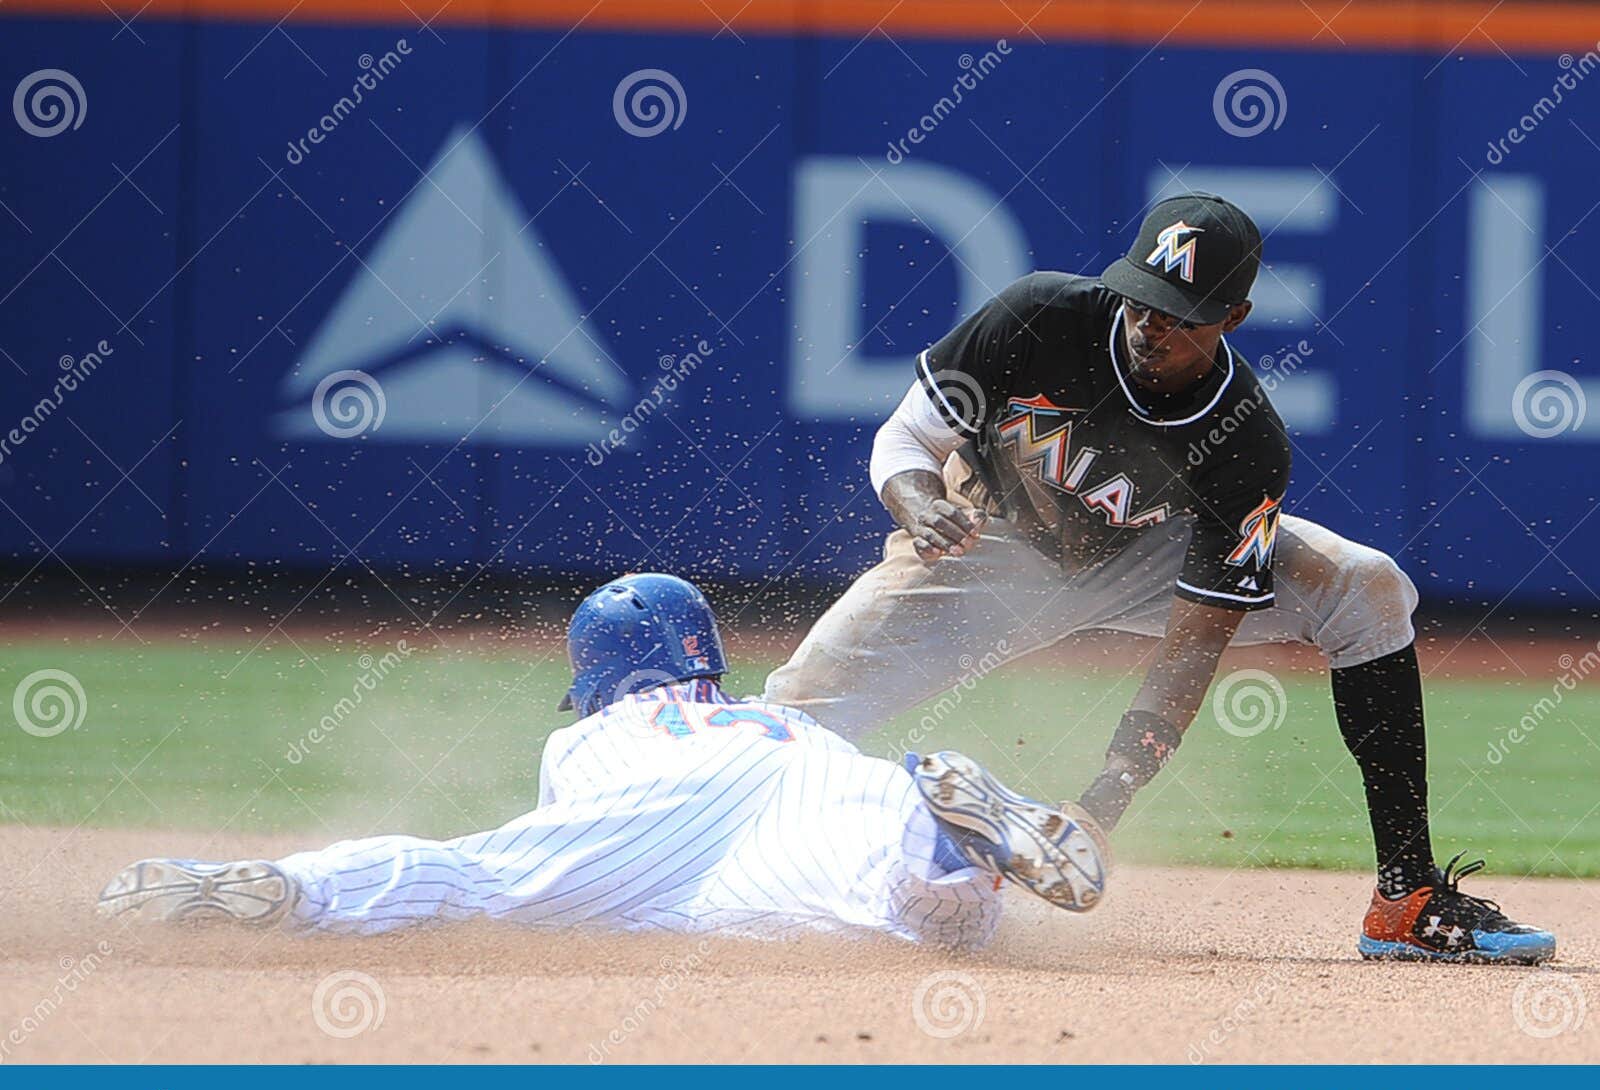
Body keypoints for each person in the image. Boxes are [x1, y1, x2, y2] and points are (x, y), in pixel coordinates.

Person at [764, 193, 1555, 964]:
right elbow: (907, 436)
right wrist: (918, 501)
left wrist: (1103, 801)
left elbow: (1193, 644)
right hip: (984, 543)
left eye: (1182, 314)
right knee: (792, 711)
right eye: (1144, 300)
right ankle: (716, 868)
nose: (1152, 326)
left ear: (1234, 319)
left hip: (1149, 558)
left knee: (1368, 584)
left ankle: (1407, 898)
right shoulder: (1038, 316)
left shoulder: (1244, 438)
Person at [98, 574, 1107, 949]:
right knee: (907, 908)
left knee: (475, 874)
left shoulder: (584, 735)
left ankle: (289, 888)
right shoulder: (772, 714)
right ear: (702, 652)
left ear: (596, 675)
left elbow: (572, 846)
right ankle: (941, 838)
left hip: (658, 806)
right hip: (828, 768)